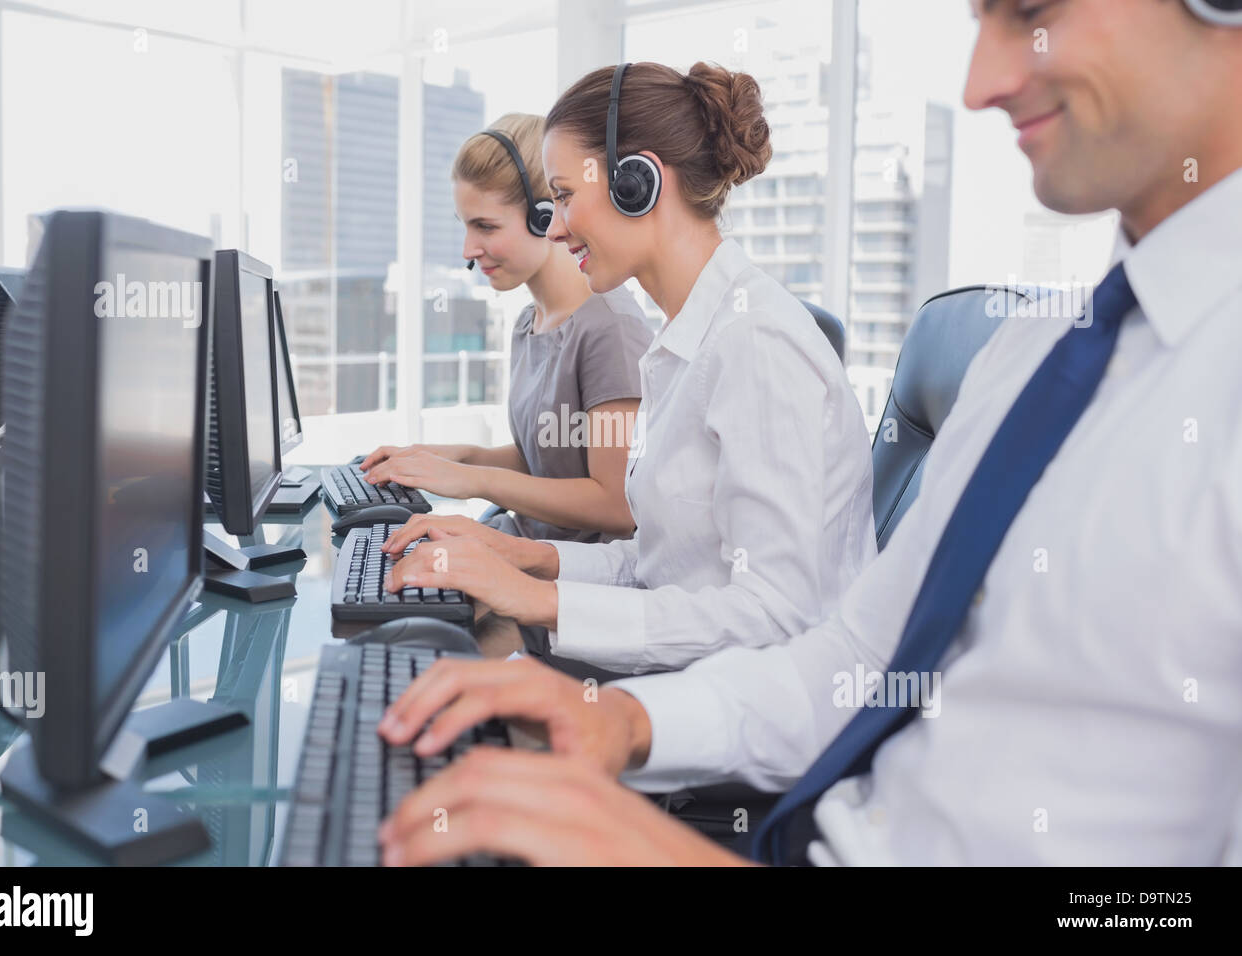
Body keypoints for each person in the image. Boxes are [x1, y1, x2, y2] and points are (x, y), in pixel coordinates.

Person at [376, 0, 1242, 866]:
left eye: (1031, 11)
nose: (981, 85)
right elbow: (860, 649)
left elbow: (774, 614)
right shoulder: (1035, 350)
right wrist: (619, 708)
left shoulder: (758, 341)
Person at [380, 61, 877, 678]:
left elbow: (779, 616)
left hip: (756, 718)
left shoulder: (757, 344)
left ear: (637, 181)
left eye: (563, 197)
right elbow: (656, 565)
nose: (555, 226)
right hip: (694, 685)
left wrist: (539, 599)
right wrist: (521, 555)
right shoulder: (681, 342)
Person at [361, 113, 653, 544]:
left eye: (486, 226)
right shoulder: (528, 323)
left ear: (544, 216)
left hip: (571, 581)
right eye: (465, 225)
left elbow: (616, 505)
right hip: (517, 542)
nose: (468, 250)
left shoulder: (610, 329)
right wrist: (457, 459)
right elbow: (546, 460)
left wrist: (474, 481)